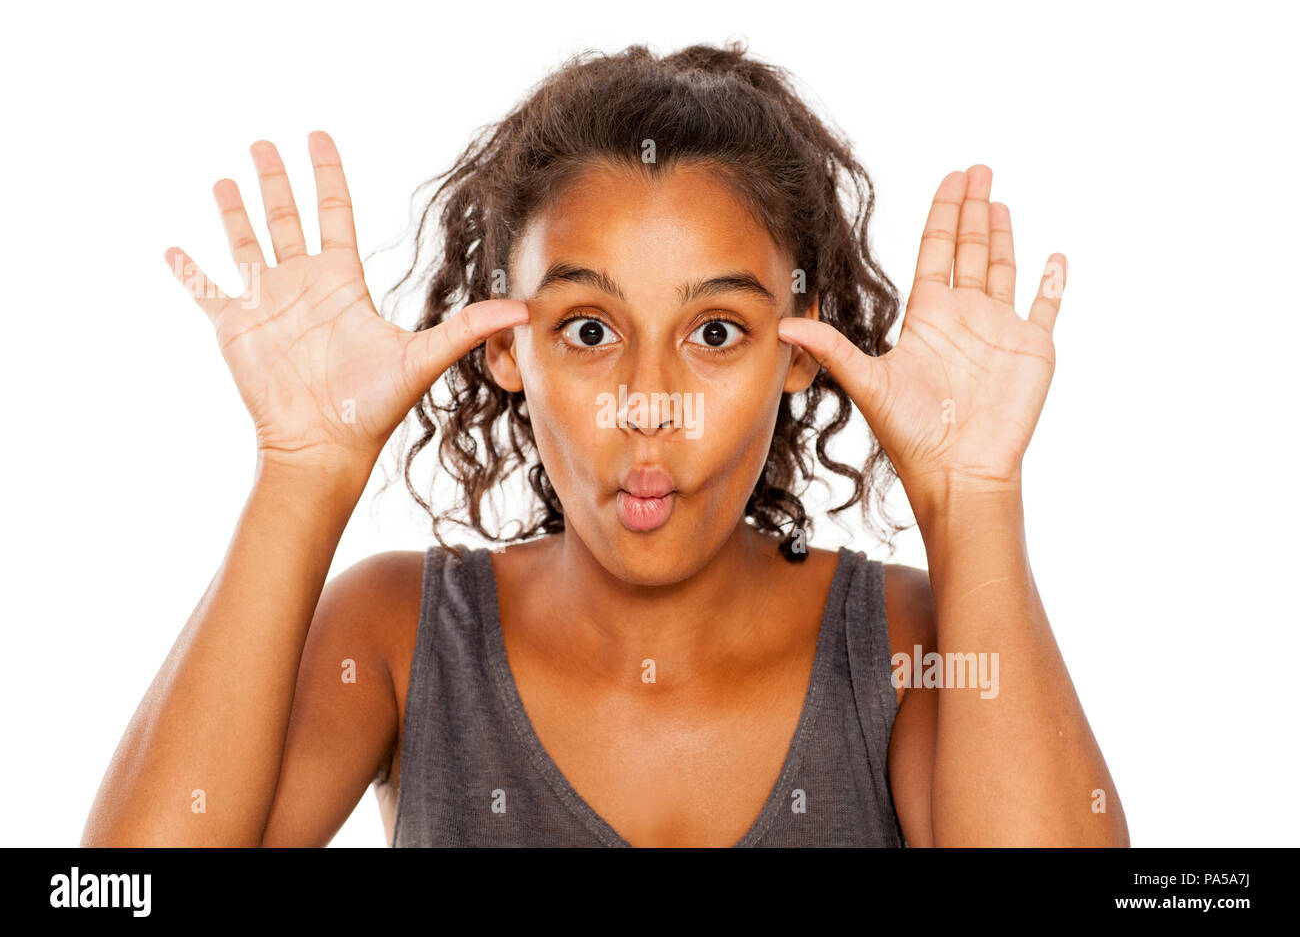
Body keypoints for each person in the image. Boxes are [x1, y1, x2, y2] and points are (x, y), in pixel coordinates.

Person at [82, 42, 1128, 847]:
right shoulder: (399, 632)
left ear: (800, 352)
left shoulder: (905, 647)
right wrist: (300, 477)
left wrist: (971, 496)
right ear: (504, 344)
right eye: (589, 330)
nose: (649, 404)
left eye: (715, 332)